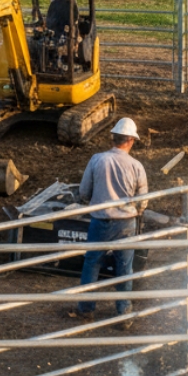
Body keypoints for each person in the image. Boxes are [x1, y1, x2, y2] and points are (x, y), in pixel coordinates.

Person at [72, 117, 148, 322]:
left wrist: (91, 200)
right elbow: (143, 199)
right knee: (124, 267)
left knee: (92, 264)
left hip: (101, 221)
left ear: (113, 138)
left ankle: (86, 308)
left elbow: (84, 191)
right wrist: (138, 210)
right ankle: (123, 313)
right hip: (126, 223)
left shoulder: (97, 159)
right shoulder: (136, 166)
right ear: (131, 140)